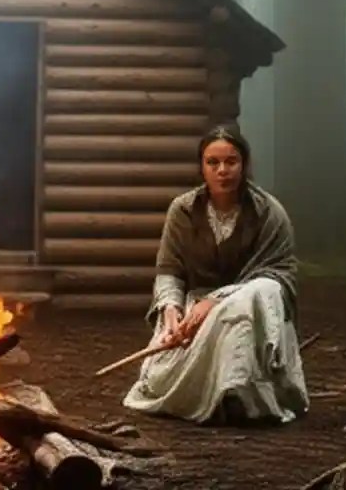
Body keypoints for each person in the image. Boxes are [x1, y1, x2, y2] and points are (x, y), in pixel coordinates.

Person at [122, 124, 309, 425]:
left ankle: (239, 393)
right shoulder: (182, 210)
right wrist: (170, 309)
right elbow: (169, 270)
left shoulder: (269, 212)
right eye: (213, 163)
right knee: (160, 381)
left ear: (244, 165)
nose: (223, 170)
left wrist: (219, 300)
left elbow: (280, 275)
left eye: (231, 162)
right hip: (194, 309)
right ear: (202, 167)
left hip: (252, 309)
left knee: (262, 291)